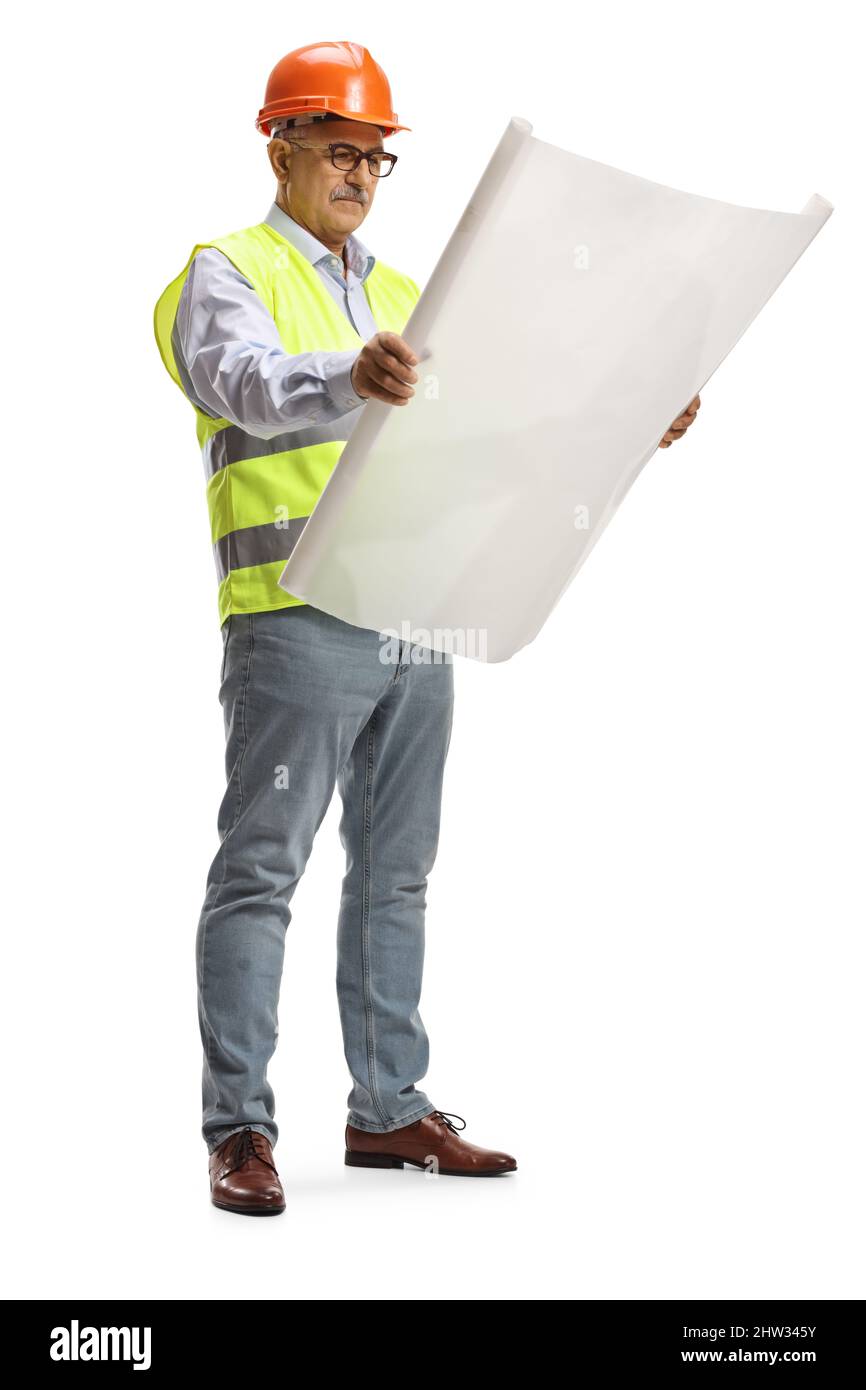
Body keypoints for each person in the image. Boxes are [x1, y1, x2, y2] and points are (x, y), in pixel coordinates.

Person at [154, 40, 701, 1217]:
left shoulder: (408, 294)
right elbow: (240, 384)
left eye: (373, 155)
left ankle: (388, 1108)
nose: (357, 170)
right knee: (262, 871)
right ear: (279, 145)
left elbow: (488, 436)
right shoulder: (225, 271)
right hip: (295, 618)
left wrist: (624, 422)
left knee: (396, 875)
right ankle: (239, 1127)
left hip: (412, 612)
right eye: (336, 147)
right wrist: (351, 376)